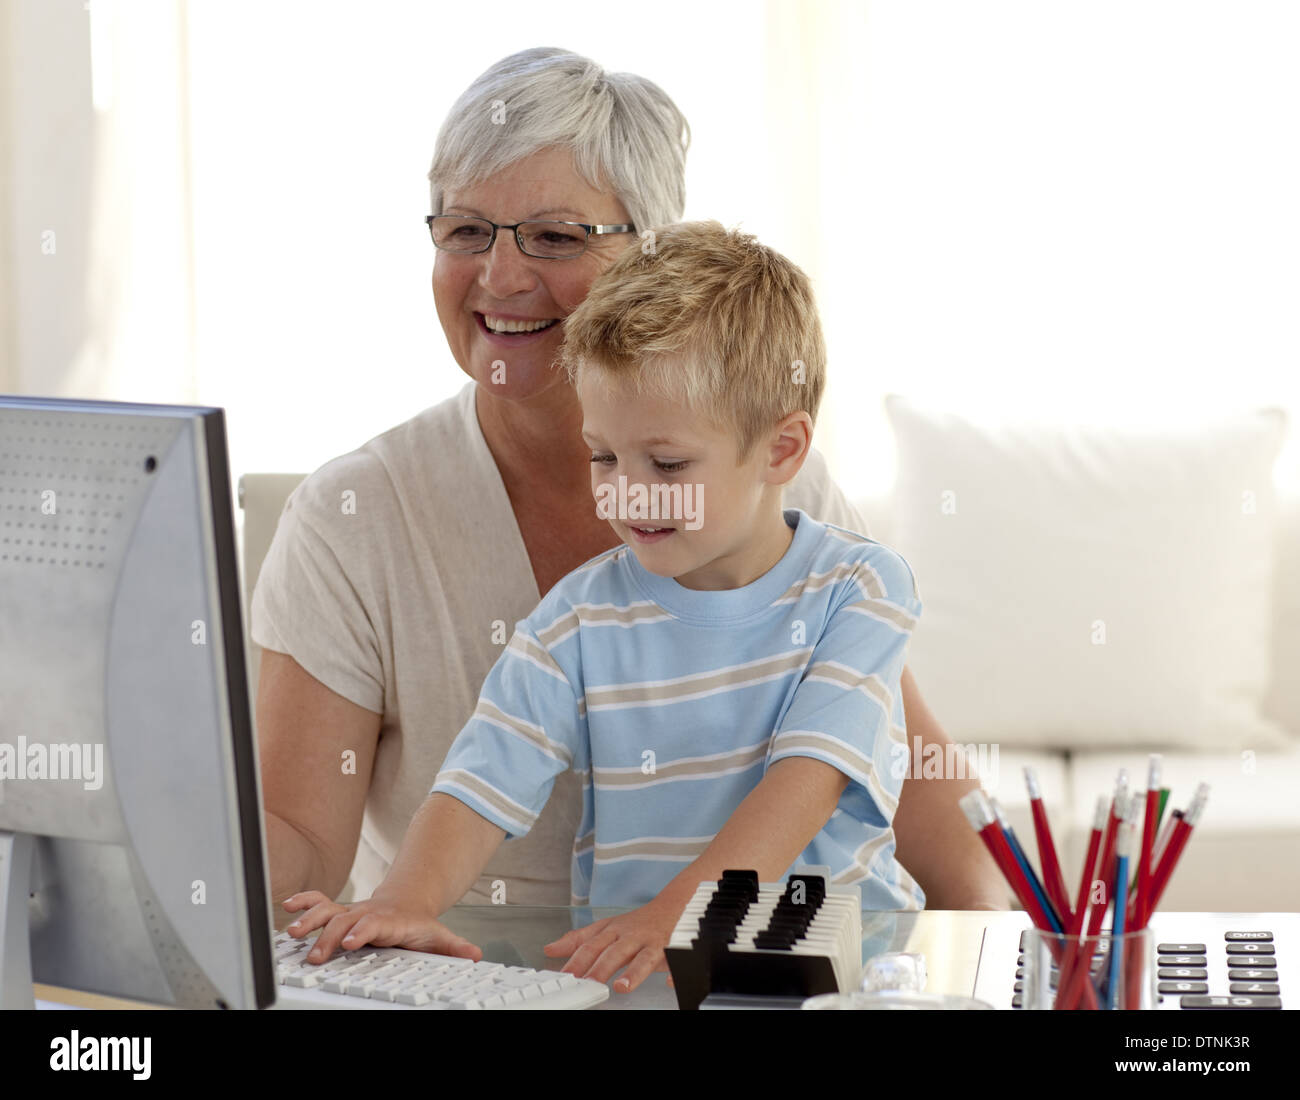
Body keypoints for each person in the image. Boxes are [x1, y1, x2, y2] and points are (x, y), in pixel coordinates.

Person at [252, 47, 1004, 930]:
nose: (499, 276)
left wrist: (1003, 935)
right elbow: (334, 821)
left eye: (556, 236)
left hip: (775, 957)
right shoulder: (361, 518)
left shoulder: (778, 494)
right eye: (464, 231)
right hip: (519, 979)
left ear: (653, 257)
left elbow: (886, 763)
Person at [283, 221, 926, 993]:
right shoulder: (579, 619)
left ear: (781, 451)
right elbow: (483, 777)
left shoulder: (861, 588)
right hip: (641, 974)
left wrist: (680, 915)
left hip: (839, 976)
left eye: (666, 462)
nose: (625, 491)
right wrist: (404, 902)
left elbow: (807, 780)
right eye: (604, 456)